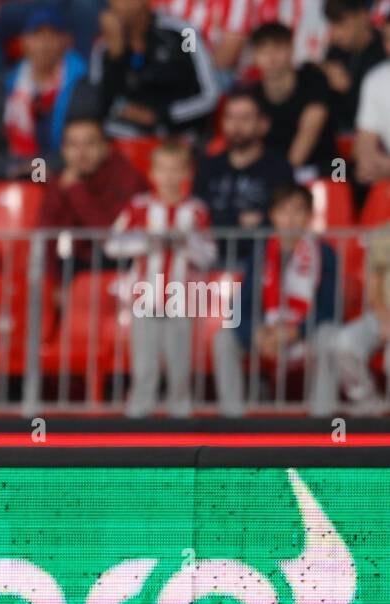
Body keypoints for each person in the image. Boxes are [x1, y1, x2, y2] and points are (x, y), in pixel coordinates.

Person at [105, 139, 216, 417]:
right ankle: (138, 416)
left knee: (179, 364)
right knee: (144, 365)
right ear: (152, 173)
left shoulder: (197, 210)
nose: (169, 177)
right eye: (162, 170)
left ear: (187, 174)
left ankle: (180, 417)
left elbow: (208, 254)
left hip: (182, 299)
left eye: (175, 170)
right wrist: (147, 241)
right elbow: (112, 244)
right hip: (145, 297)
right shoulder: (139, 206)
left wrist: (185, 243)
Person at [217, 182, 340, 416]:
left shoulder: (324, 253)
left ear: (310, 215)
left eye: (298, 210)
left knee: (329, 337)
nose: (291, 218)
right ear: (273, 216)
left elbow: (329, 306)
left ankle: (321, 415)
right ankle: (231, 416)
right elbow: (242, 305)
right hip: (268, 333)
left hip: (305, 334)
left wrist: (296, 331)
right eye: (284, 210)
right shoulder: (261, 253)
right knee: (224, 338)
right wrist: (258, 333)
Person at [0, 6, 100, 180]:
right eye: (37, 34)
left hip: (63, 178)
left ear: (66, 41)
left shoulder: (82, 86)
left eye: (52, 35)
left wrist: (37, 171)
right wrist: (11, 169)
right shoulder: (1, 86)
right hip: (10, 174)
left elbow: (86, 143)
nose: (44, 43)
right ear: (24, 41)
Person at [192, 89, 295, 268]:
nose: (236, 125)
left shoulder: (279, 169)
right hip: (207, 261)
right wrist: (240, 221)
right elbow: (197, 213)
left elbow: (282, 220)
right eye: (230, 117)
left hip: (260, 264)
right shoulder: (208, 166)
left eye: (245, 118)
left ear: (263, 124)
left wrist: (223, 220)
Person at [90, 0, 220, 139]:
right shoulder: (104, 48)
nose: (119, 6)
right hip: (127, 141)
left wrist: (162, 115)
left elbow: (209, 95)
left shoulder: (185, 33)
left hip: (182, 137)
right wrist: (115, 56)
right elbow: (99, 104)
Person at [40, 116, 147, 275]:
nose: (81, 153)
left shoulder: (126, 177)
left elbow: (110, 237)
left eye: (89, 144)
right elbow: (45, 238)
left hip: (118, 268)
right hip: (74, 268)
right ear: (63, 150)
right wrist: (51, 284)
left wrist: (76, 190)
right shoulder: (60, 182)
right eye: (73, 145)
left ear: (105, 148)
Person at [245, 21, 339, 180]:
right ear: (254, 56)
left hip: (324, 166)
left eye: (278, 49)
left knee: (342, 179)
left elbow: (309, 132)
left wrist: (282, 177)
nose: (271, 58)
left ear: (291, 49)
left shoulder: (313, 79)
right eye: (263, 51)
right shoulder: (252, 94)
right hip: (273, 173)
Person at [314, 222, 390, 412]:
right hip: (383, 315)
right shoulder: (383, 235)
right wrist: (385, 319)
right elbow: (374, 288)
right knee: (343, 343)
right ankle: (370, 405)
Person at [322, 0, 386, 133]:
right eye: (331, 24)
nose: (334, 33)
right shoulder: (335, 52)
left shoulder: (383, 52)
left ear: (363, 17)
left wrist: (347, 89)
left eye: (340, 24)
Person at [354, 19, 390, 184]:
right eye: (387, 39)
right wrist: (368, 163)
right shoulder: (376, 79)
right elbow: (365, 140)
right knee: (337, 172)